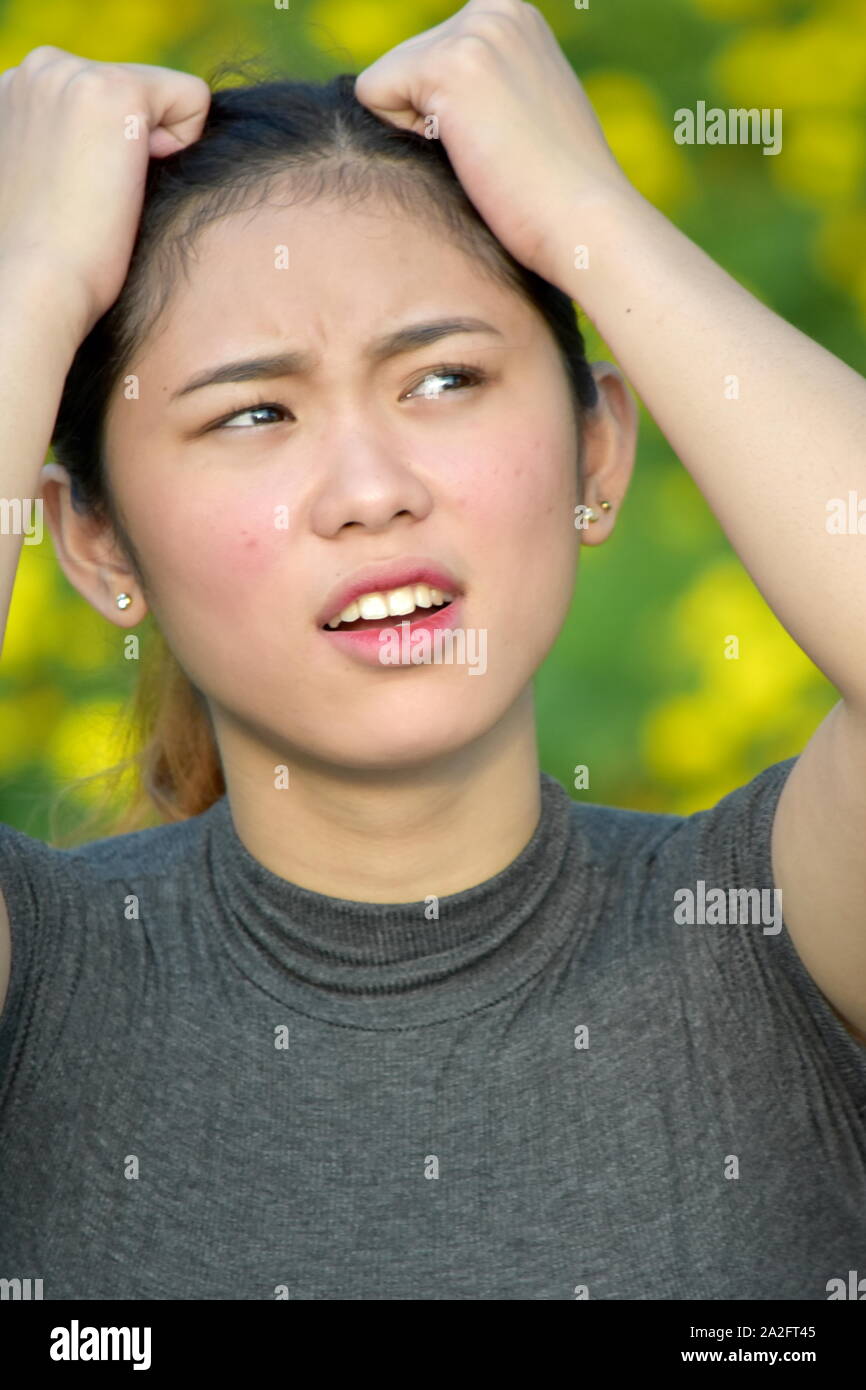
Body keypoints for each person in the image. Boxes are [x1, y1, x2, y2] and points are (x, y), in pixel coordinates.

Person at [0, 0, 864, 1301]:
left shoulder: (779, 931)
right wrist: (31, 277)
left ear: (594, 448)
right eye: (252, 411)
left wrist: (593, 217)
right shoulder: (44, 985)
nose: (370, 485)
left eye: (445, 379)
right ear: (97, 542)